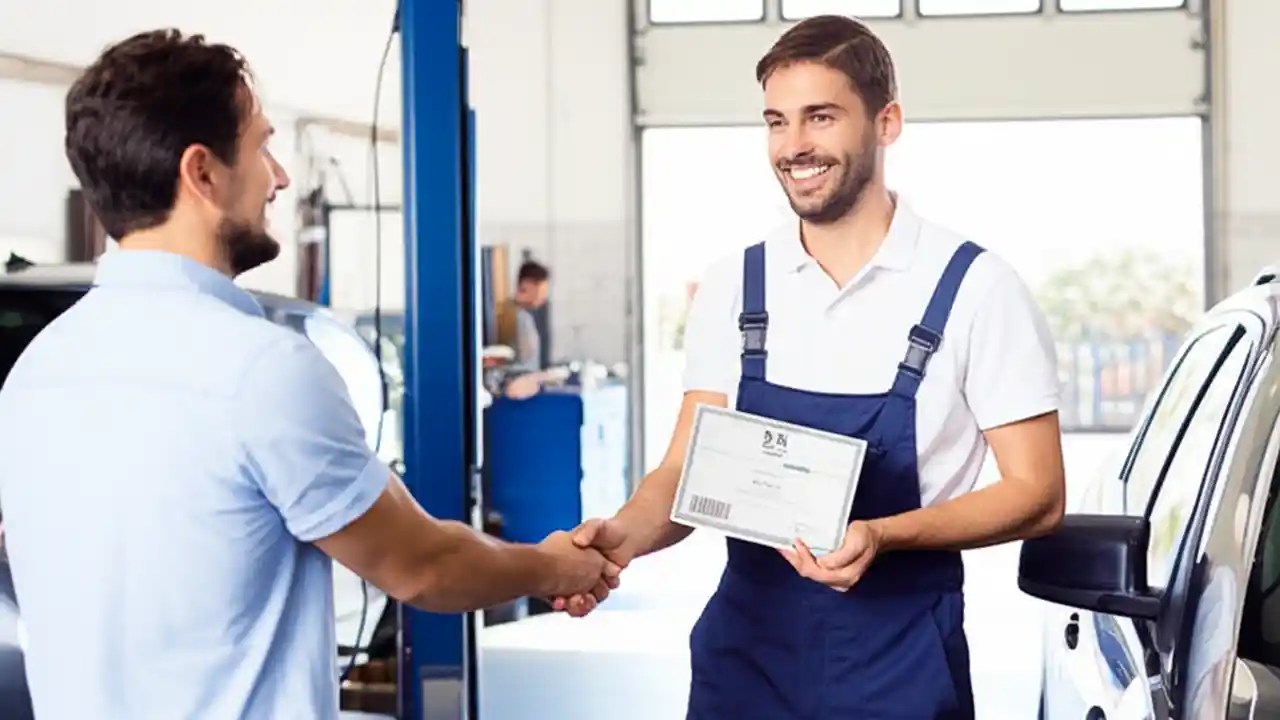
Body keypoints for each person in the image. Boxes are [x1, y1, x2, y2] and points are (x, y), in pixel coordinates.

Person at [0, 30, 616, 720]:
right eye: (262, 145)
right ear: (202, 173)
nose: (281, 177)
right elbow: (423, 566)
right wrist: (556, 565)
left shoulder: (35, 373)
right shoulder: (260, 369)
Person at [554, 14, 1067, 719]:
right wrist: (619, 539)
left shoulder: (976, 288)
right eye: (776, 121)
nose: (794, 146)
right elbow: (684, 472)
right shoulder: (737, 284)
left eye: (820, 117)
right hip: (746, 663)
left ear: (886, 123)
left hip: (900, 664)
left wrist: (882, 534)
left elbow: (1038, 492)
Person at [512, 260, 551, 370]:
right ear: (526, 285)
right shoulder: (516, 317)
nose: (543, 297)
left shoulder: (526, 315)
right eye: (541, 289)